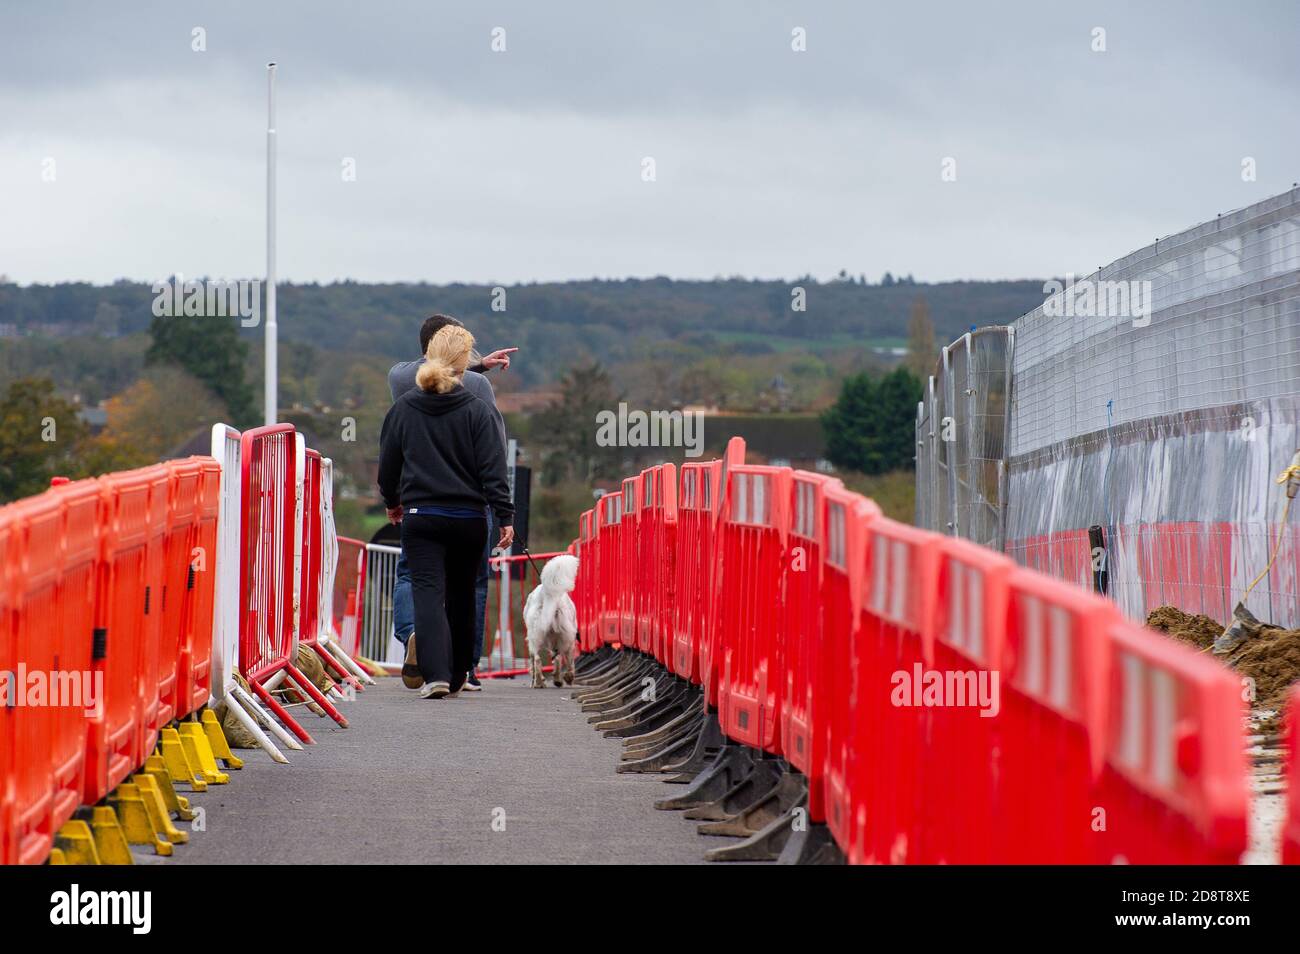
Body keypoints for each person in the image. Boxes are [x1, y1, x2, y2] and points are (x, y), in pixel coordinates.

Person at [378, 325, 515, 698]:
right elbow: (493, 468)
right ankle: (459, 673)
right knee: (464, 593)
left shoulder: (405, 407)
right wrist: (505, 516)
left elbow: (388, 464)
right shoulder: (477, 409)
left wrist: (392, 502)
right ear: (464, 363)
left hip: (422, 515)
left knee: (427, 588)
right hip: (470, 517)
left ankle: (435, 675)